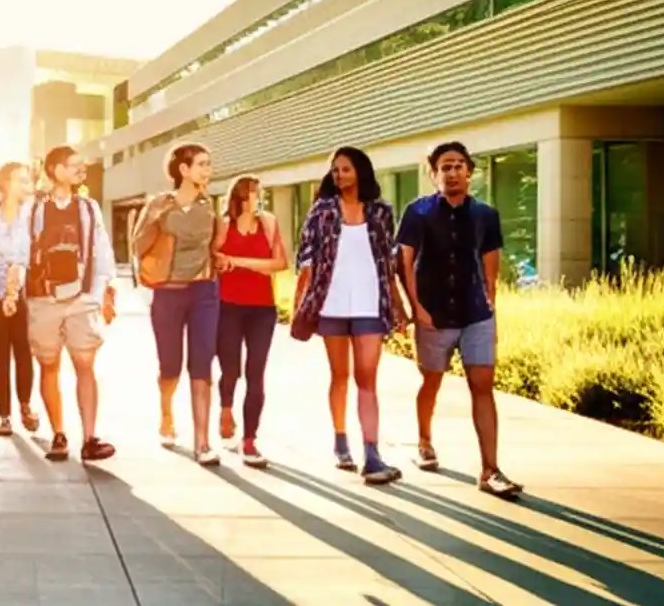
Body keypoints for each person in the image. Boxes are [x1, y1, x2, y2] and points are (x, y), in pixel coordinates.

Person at [397, 141, 523, 498]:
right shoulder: (418, 212)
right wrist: (415, 309)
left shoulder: (486, 214)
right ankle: (424, 441)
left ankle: (490, 470)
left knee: (482, 386)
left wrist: (492, 313)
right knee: (431, 382)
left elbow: (491, 267)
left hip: (475, 315)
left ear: (469, 171)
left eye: (457, 166)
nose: (451, 173)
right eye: (444, 167)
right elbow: (403, 261)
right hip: (434, 315)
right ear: (433, 174)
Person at [291, 147, 407, 485]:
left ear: (360, 172)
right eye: (336, 170)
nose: (339, 175)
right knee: (340, 376)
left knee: (367, 380)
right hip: (332, 305)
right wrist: (301, 304)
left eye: (346, 169)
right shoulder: (322, 211)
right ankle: (341, 440)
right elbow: (307, 260)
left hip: (371, 305)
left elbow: (389, 264)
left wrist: (398, 307)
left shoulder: (381, 212)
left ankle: (372, 456)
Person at [22, 145, 117, 462]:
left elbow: (101, 250)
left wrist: (105, 291)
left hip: (81, 298)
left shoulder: (89, 208)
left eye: (82, 165)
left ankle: (90, 438)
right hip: (43, 299)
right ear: (55, 170)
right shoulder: (34, 209)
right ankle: (59, 434)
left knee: (85, 365)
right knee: (49, 365)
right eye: (73, 165)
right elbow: (21, 252)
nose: (81, 170)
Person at [133, 142, 222, 466]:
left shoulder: (208, 205)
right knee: (170, 366)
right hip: (168, 294)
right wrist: (155, 220)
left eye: (208, 164)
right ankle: (166, 412)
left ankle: (202, 442)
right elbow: (138, 247)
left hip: (204, 292)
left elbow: (215, 244)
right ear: (182, 170)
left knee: (202, 365)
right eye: (201, 164)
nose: (207, 170)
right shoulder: (159, 204)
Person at [213, 175, 286, 468]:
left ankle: (249, 440)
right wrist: (224, 259)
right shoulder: (223, 224)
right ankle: (226, 408)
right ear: (241, 196)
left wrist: (239, 262)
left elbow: (280, 264)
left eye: (261, 193)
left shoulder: (268, 223)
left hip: (262, 309)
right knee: (231, 371)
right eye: (255, 193)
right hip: (227, 306)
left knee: (256, 373)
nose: (259, 199)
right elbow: (213, 256)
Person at [0, 161, 40, 437]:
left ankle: (26, 406)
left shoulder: (31, 215)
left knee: (23, 351)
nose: (26, 186)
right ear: (5, 183)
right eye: (20, 180)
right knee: (0, 355)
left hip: (23, 293)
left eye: (27, 180)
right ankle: (4, 415)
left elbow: (25, 256)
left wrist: (13, 290)